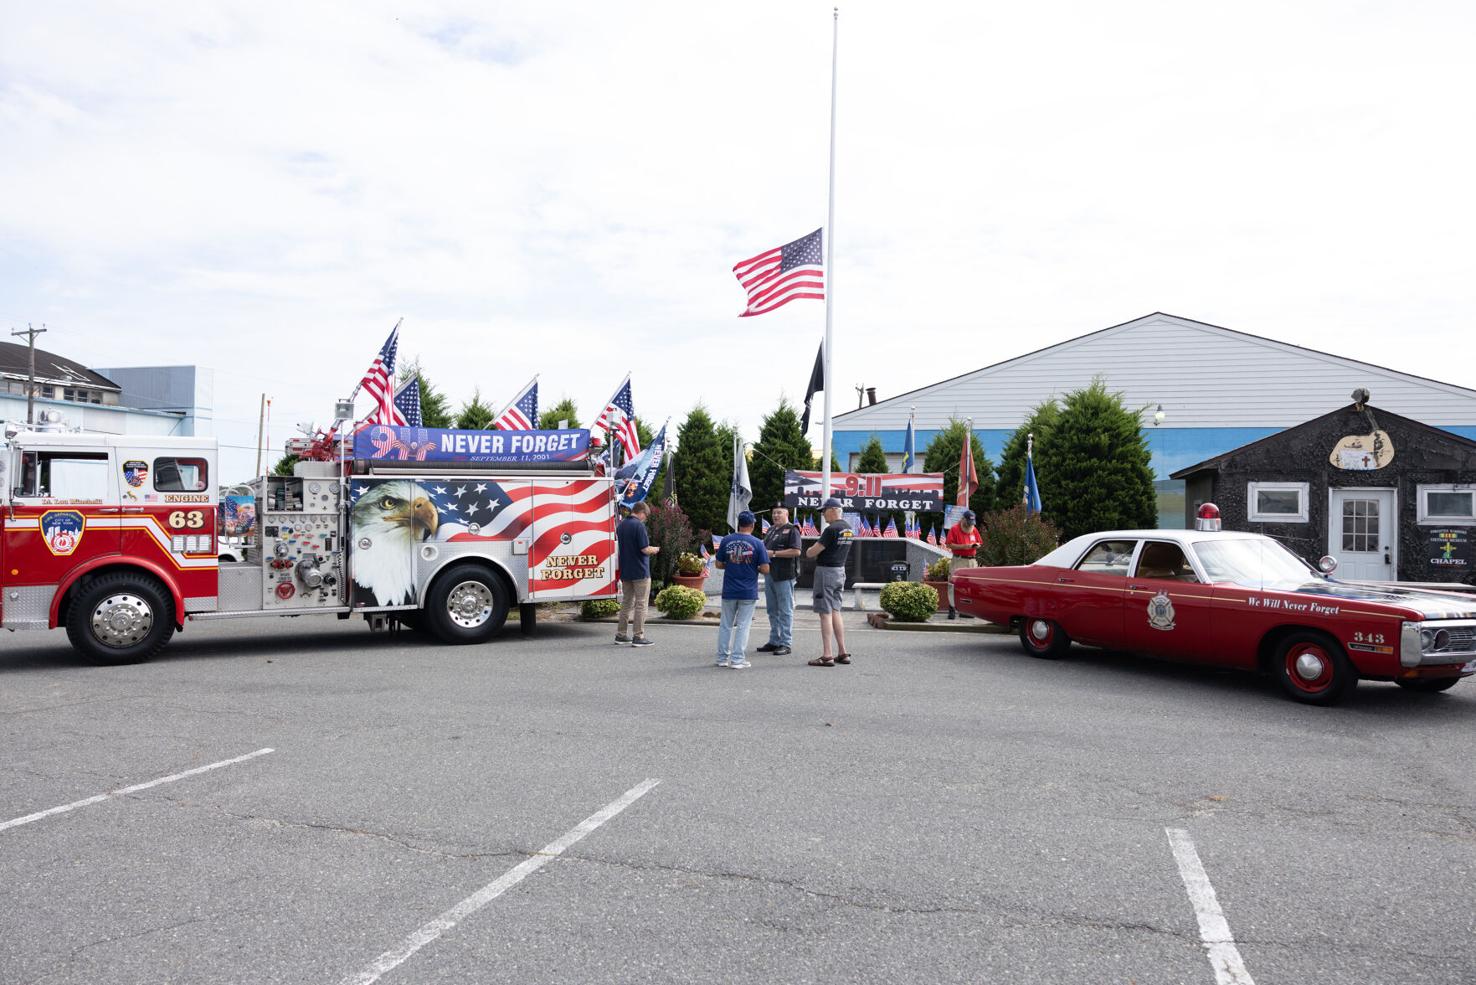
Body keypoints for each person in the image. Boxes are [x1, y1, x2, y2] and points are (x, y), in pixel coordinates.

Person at [714, 511, 769, 669]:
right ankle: (738, 659)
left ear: (739, 524)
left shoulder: (727, 539)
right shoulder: (758, 543)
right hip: (748, 590)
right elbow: (765, 568)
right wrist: (753, 567)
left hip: (729, 589)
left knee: (726, 624)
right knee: (743, 625)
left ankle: (722, 658)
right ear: (752, 525)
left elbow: (718, 564)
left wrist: (731, 564)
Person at [804, 497, 854, 666]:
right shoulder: (848, 528)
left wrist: (810, 550)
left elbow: (812, 552)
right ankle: (842, 652)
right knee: (835, 610)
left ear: (833, 510)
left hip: (826, 572)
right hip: (840, 571)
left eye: (824, 511)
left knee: (824, 613)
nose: (823, 515)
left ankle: (827, 655)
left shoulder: (831, 529)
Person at [758, 503, 802, 656]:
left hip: (784, 576)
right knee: (772, 610)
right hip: (770, 574)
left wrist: (774, 553)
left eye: (779, 512)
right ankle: (774, 641)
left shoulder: (792, 530)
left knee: (785, 610)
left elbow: (796, 551)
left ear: (786, 514)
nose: (775, 515)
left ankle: (785, 643)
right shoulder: (770, 530)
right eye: (774, 513)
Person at [614, 502, 659, 646]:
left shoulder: (621, 525)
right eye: (645, 516)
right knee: (641, 604)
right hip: (640, 570)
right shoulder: (638, 526)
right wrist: (655, 549)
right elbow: (644, 549)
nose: (645, 519)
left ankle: (621, 634)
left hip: (626, 569)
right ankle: (638, 636)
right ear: (641, 512)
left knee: (626, 603)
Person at [944, 508, 982, 619]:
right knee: (953, 585)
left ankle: (965, 610)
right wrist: (964, 547)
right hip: (959, 560)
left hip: (971, 560)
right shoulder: (954, 529)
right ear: (963, 519)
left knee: (968, 586)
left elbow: (980, 541)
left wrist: (976, 545)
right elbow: (949, 544)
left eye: (972, 523)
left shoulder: (974, 529)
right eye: (968, 522)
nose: (970, 525)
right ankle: (951, 609)